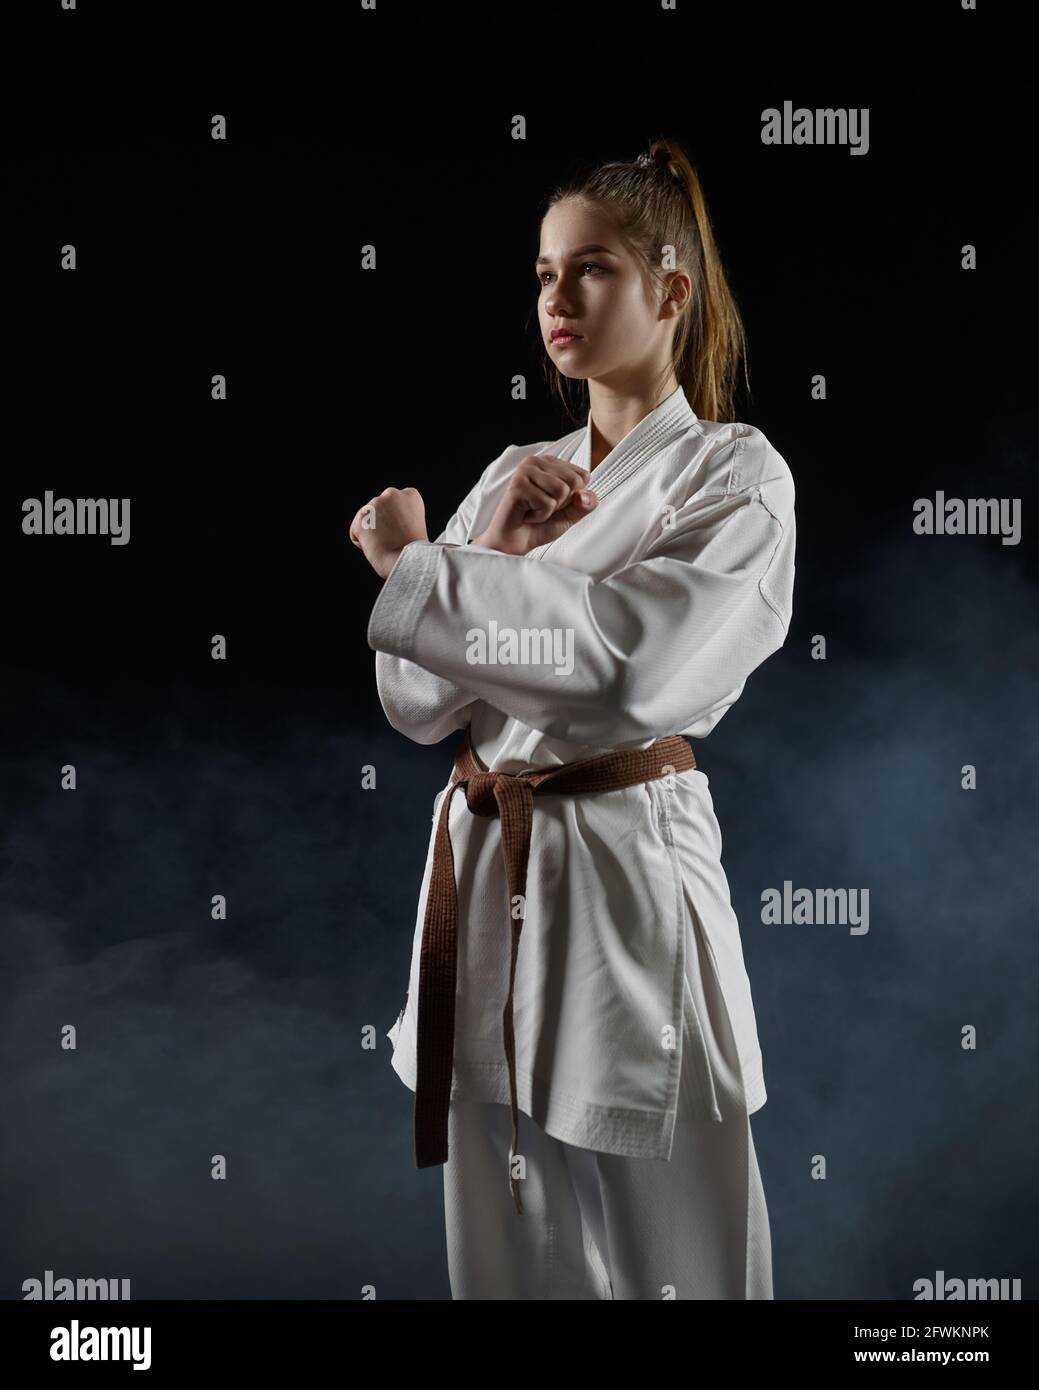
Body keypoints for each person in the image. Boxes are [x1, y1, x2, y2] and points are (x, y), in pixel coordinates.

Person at [351, 137, 795, 1300]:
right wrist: (485, 550)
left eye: (589, 269)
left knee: (678, 1260)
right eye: (543, 274)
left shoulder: (733, 476)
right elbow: (416, 702)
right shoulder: (517, 471)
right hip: (488, 858)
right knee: (508, 1253)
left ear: (668, 291)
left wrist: (419, 568)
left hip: (624, 872)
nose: (557, 297)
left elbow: (625, 671)